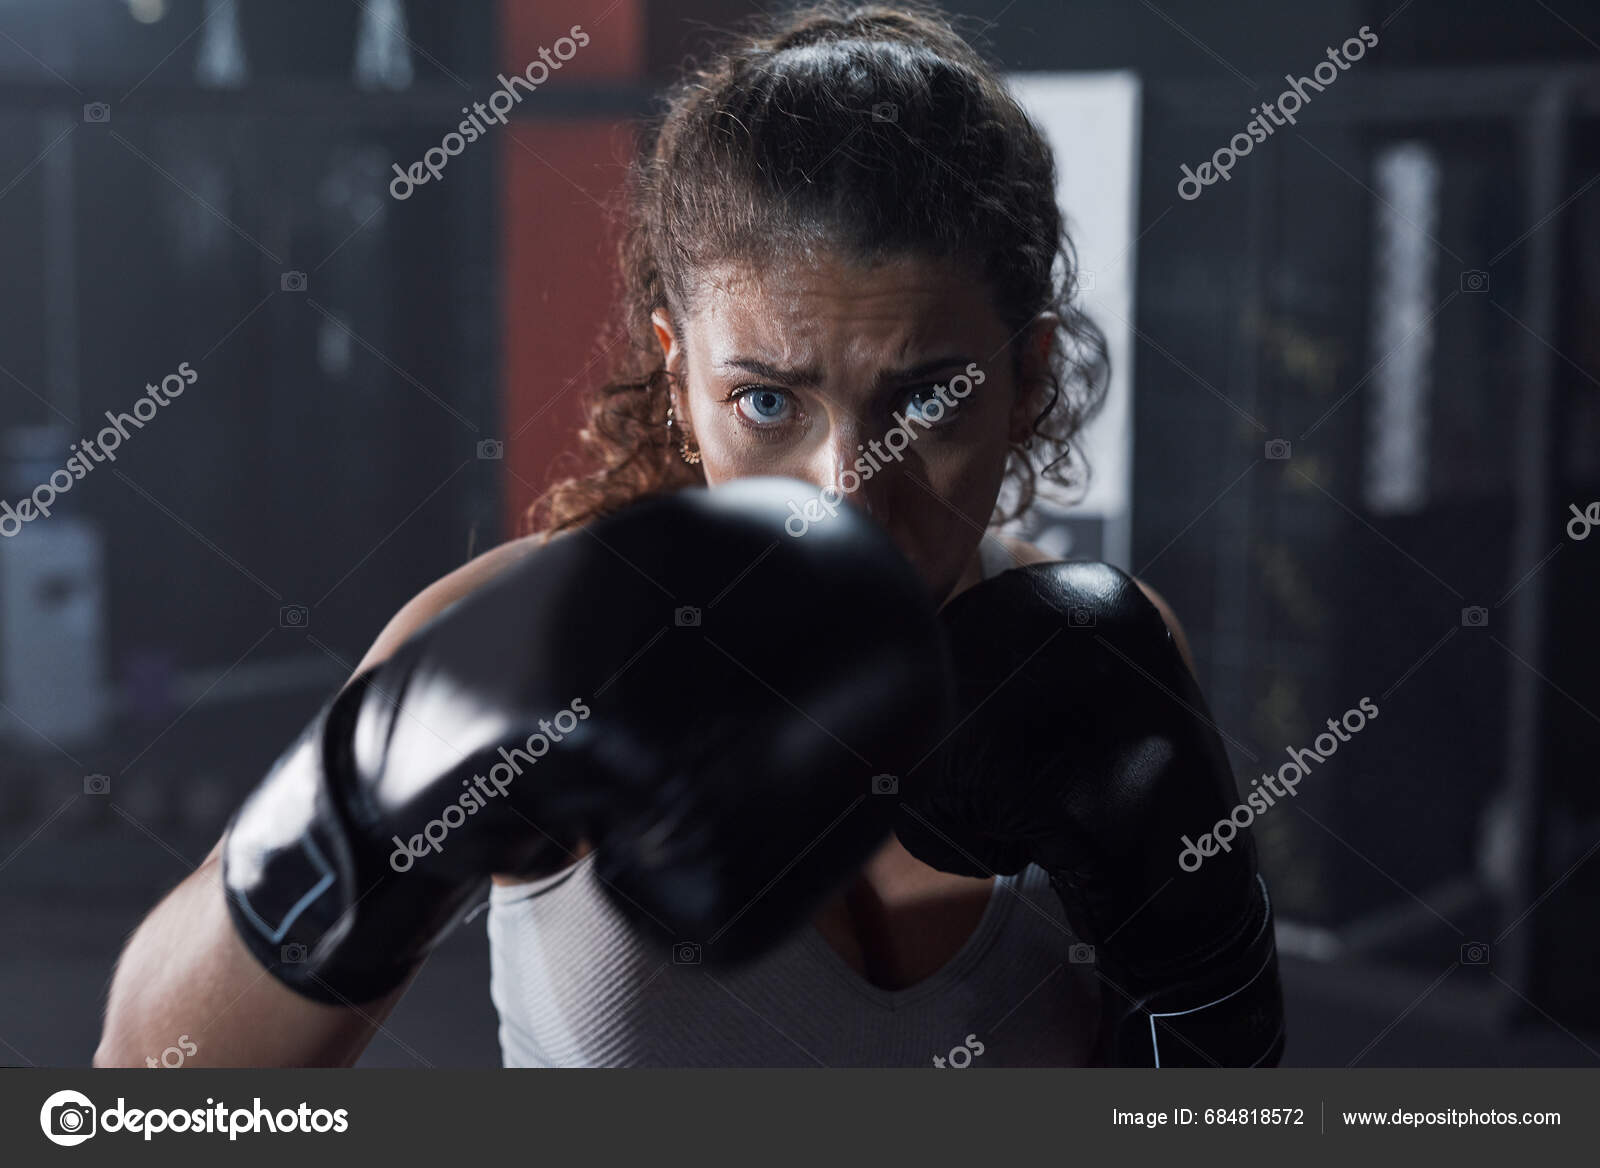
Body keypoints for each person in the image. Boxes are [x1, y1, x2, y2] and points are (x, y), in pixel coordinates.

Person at [96, 1, 1280, 1069]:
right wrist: (369, 799)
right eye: (767, 400)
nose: (847, 496)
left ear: (1024, 383)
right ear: (680, 379)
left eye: (924, 402)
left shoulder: (1098, 670)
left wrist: (1206, 989)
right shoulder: (550, 637)